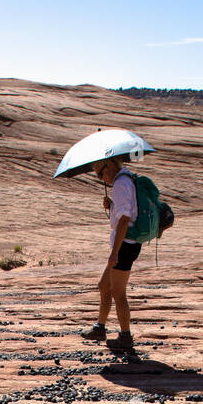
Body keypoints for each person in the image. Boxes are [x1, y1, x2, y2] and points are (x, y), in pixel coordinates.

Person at [80, 154, 141, 359]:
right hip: (123, 244)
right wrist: (112, 206)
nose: (100, 178)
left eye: (99, 173)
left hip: (125, 245)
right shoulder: (124, 181)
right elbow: (124, 212)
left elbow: (124, 221)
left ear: (109, 166)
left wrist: (115, 253)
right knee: (104, 286)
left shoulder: (121, 184)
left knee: (118, 292)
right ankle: (100, 328)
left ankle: (125, 337)